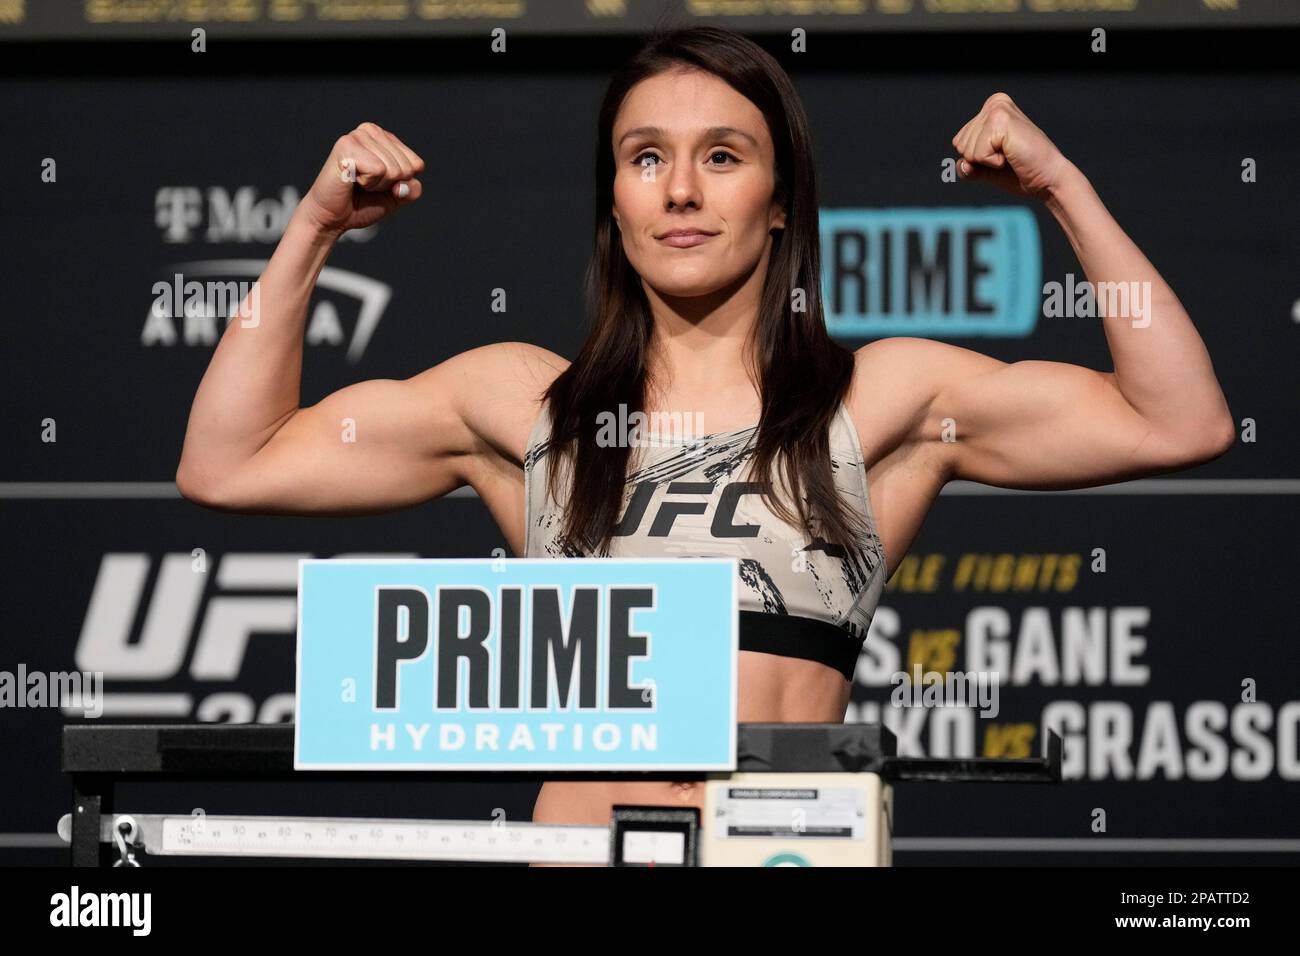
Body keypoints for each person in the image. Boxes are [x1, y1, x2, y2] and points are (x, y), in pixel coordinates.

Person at [176, 27, 1233, 845]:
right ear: (616, 203)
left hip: (786, 852)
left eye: (722, 156)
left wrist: (1060, 189)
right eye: (646, 159)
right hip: (584, 860)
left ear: (781, 202)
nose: (680, 189)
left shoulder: (882, 398)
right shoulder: (524, 409)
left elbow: (1177, 418)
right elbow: (229, 460)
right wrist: (312, 228)